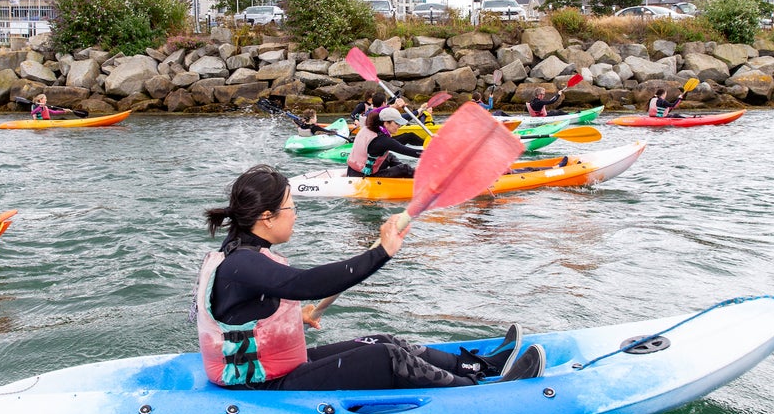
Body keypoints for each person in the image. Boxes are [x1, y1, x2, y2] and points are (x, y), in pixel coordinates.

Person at [194, 164, 546, 390]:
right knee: (385, 359)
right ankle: (479, 390)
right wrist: (381, 253)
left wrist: (292, 316)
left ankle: (483, 365)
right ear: (268, 217)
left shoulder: (241, 253)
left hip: (279, 365)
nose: (296, 215)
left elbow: (241, 316)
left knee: (380, 340)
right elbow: (303, 284)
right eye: (291, 207)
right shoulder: (241, 262)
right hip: (260, 385)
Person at [346, 107, 423, 178]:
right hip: (363, 176)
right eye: (396, 123)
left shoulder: (367, 127)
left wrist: (418, 111)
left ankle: (407, 175)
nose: (399, 126)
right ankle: (418, 177)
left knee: (389, 156)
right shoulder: (383, 141)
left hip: (351, 170)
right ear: (386, 123)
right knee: (405, 168)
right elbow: (410, 152)